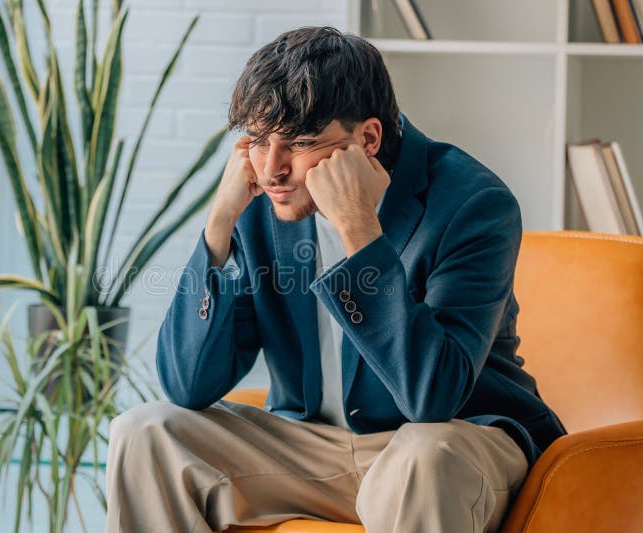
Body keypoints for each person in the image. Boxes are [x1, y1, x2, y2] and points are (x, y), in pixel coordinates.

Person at [104, 26, 566, 533]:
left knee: (424, 454)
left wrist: (358, 229)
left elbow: (433, 397)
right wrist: (219, 226)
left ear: (367, 138)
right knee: (145, 430)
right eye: (258, 141)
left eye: (299, 144)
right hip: (310, 446)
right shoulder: (265, 202)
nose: (272, 168)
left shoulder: (473, 204)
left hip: (457, 444)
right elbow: (186, 385)